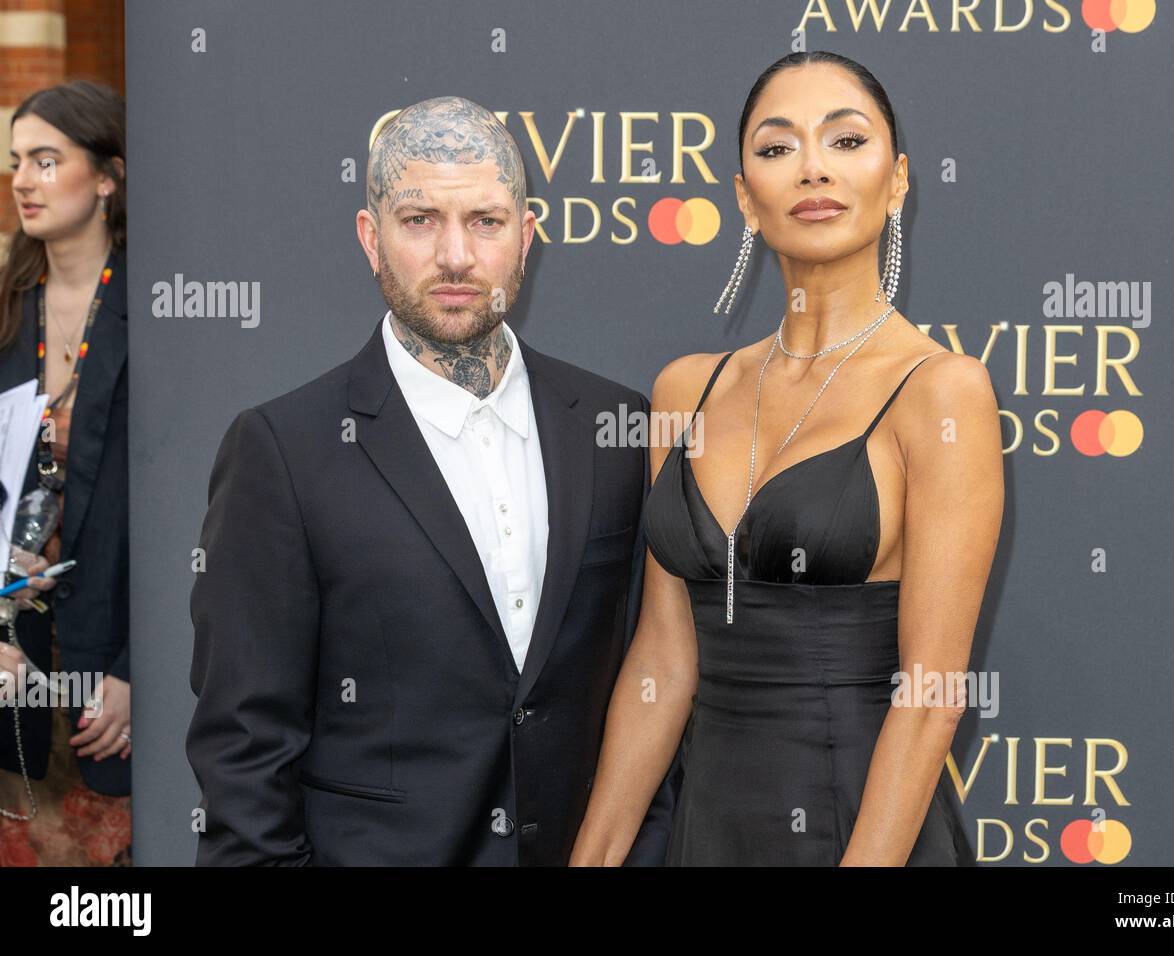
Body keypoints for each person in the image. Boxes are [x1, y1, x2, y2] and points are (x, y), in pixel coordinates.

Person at [186, 96, 677, 865]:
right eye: (419, 220)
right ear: (370, 238)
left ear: (526, 237)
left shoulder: (616, 427)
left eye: (486, 220)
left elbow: (659, 676)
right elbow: (245, 744)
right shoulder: (285, 449)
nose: (456, 256)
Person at [571, 52, 1004, 866]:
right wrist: (593, 855)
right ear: (743, 194)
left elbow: (932, 697)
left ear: (899, 177)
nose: (813, 169)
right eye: (777, 150)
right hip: (712, 828)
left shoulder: (941, 391)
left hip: (865, 829)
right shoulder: (685, 391)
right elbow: (664, 658)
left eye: (846, 141)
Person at [0, 80, 131, 865]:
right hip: (14, 670)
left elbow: (200, 508)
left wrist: (135, 669)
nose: (23, 180)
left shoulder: (160, 310)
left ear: (107, 176)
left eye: (47, 161)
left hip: (113, 673)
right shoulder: (7, 308)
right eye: (17, 162)